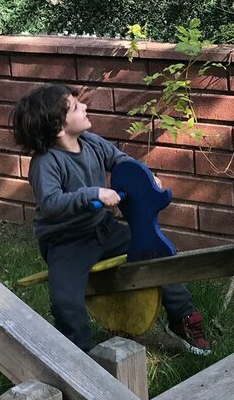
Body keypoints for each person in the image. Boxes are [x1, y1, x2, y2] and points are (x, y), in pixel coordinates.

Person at [11, 83, 211, 354]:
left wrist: (145, 177)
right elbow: (51, 204)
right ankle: (76, 353)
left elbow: (121, 161)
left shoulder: (91, 142)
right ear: (58, 126)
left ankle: (182, 318)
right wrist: (93, 193)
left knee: (154, 251)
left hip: (103, 229)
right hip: (67, 242)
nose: (84, 107)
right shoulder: (46, 163)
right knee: (65, 300)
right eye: (75, 106)